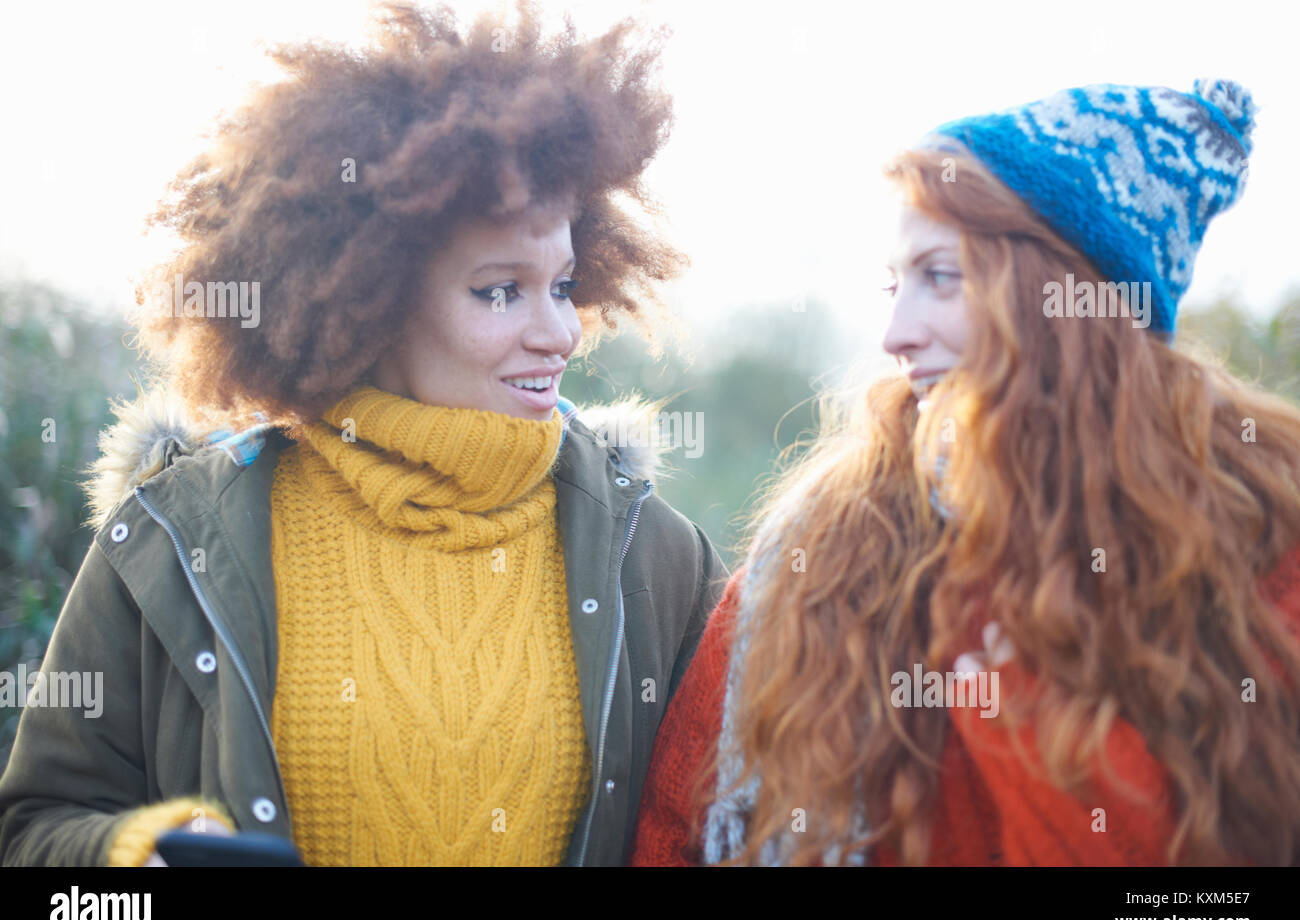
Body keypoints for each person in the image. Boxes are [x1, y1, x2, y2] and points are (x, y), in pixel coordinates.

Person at [0, 0, 727, 867]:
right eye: (501, 290)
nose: (558, 332)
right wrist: (139, 864)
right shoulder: (178, 538)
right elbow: (36, 834)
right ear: (371, 304)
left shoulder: (653, 557)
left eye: (563, 287)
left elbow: (729, 827)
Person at [631, 78, 1300, 866]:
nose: (895, 333)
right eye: (893, 284)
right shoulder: (820, 548)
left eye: (940, 278)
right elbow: (675, 830)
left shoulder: (1254, 534)